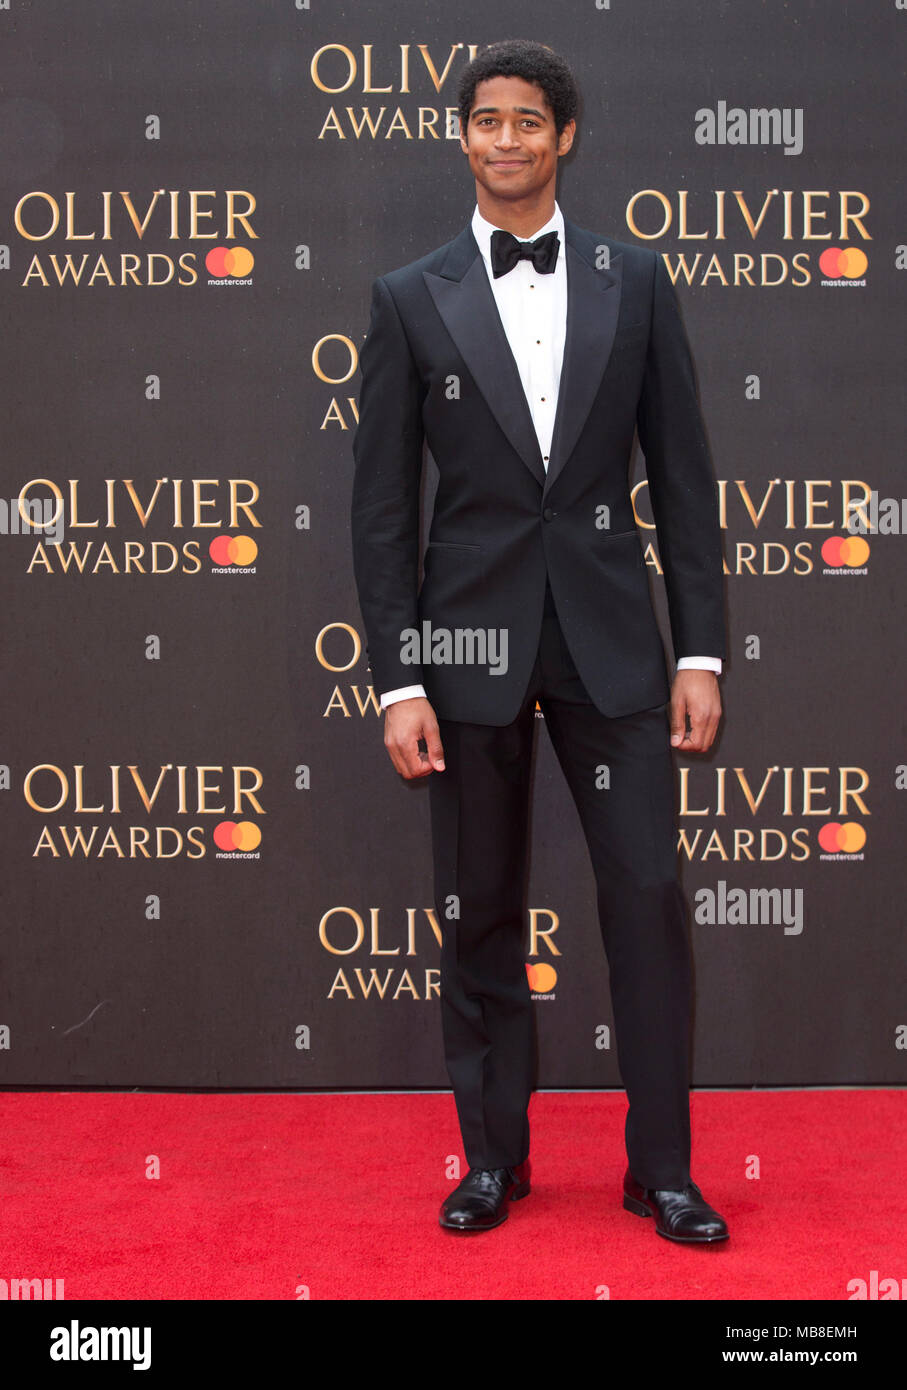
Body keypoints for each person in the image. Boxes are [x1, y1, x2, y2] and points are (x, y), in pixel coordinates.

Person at [351, 39, 728, 1243]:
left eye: (528, 119)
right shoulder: (409, 296)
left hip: (614, 638)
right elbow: (379, 511)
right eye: (485, 118)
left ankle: (661, 1168)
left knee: (648, 894)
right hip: (464, 648)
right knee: (479, 909)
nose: (506, 136)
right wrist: (398, 675)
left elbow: (682, 476)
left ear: (564, 137)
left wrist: (699, 651)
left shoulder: (637, 279)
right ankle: (492, 1161)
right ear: (460, 136)